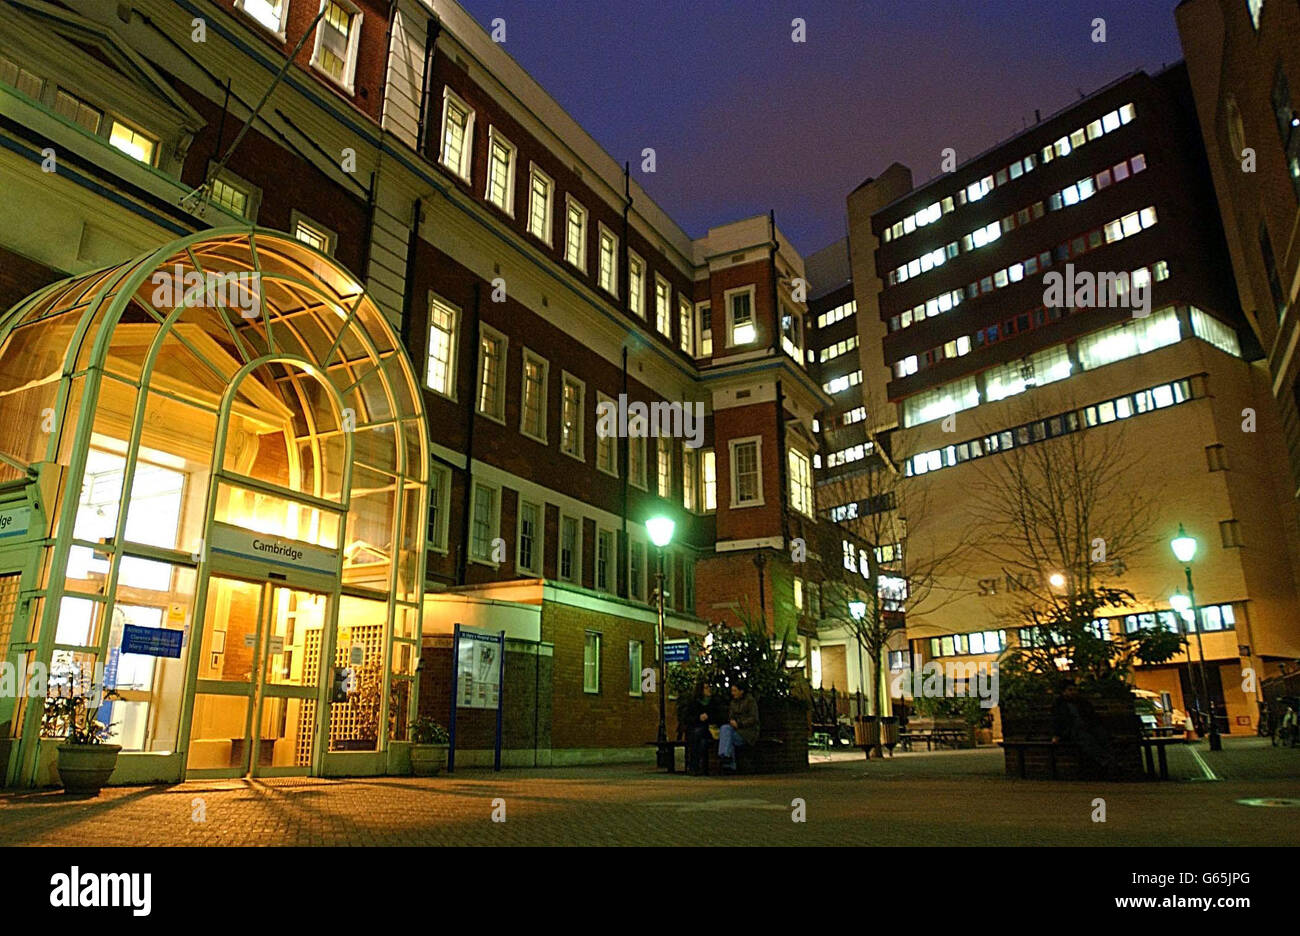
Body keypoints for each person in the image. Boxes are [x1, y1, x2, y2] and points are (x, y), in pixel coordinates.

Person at [718, 683, 760, 773]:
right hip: (735, 730)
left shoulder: (750, 701)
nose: (732, 693)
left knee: (728, 738)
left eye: (735, 691)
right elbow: (730, 716)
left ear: (741, 691)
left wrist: (740, 724)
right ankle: (727, 757)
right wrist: (733, 721)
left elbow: (753, 718)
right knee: (725, 728)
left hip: (747, 731)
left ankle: (727, 760)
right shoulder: (733, 703)